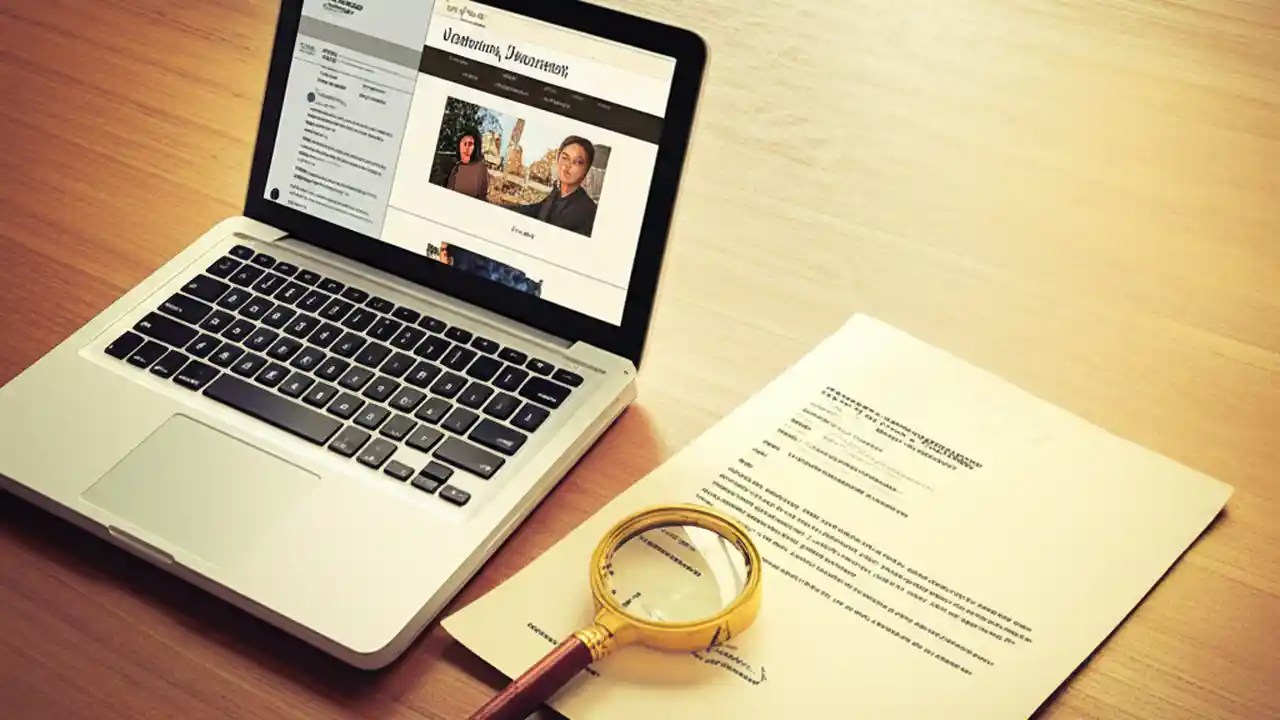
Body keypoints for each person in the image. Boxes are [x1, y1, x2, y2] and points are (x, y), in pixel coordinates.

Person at [509, 135, 598, 237]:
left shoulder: (589, 212)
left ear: (586, 170)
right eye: (565, 158)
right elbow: (536, 209)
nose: (567, 166)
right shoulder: (555, 191)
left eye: (577, 162)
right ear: (558, 159)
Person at [444, 126, 489, 200]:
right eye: (464, 143)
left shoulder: (480, 169)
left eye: (470, 144)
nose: (467, 147)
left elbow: (482, 197)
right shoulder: (455, 168)